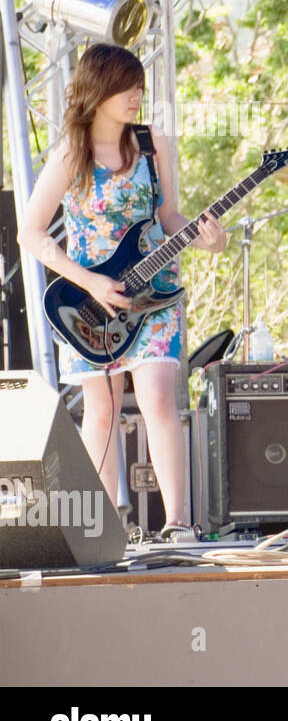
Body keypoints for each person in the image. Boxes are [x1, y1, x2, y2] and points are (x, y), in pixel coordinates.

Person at [18, 44, 227, 541]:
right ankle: (107, 525)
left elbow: (169, 215)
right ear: (99, 89)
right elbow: (31, 232)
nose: (137, 95)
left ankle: (178, 523)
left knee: (157, 395)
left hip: (155, 292)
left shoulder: (152, 143)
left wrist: (204, 236)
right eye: (126, 86)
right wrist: (88, 280)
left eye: (139, 86)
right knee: (103, 407)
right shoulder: (73, 154)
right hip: (91, 301)